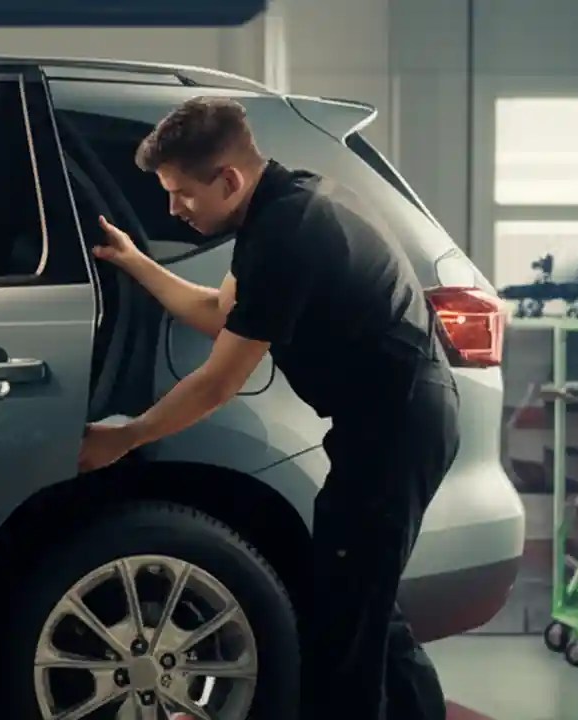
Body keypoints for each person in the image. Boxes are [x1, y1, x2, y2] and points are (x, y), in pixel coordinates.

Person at [76, 96, 459, 720]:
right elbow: (218, 315)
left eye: (181, 194)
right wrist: (135, 263)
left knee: (345, 626)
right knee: (366, 609)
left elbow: (217, 382)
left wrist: (126, 436)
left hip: (397, 429)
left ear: (227, 179)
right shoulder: (281, 208)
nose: (173, 208)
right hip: (393, 422)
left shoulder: (289, 232)